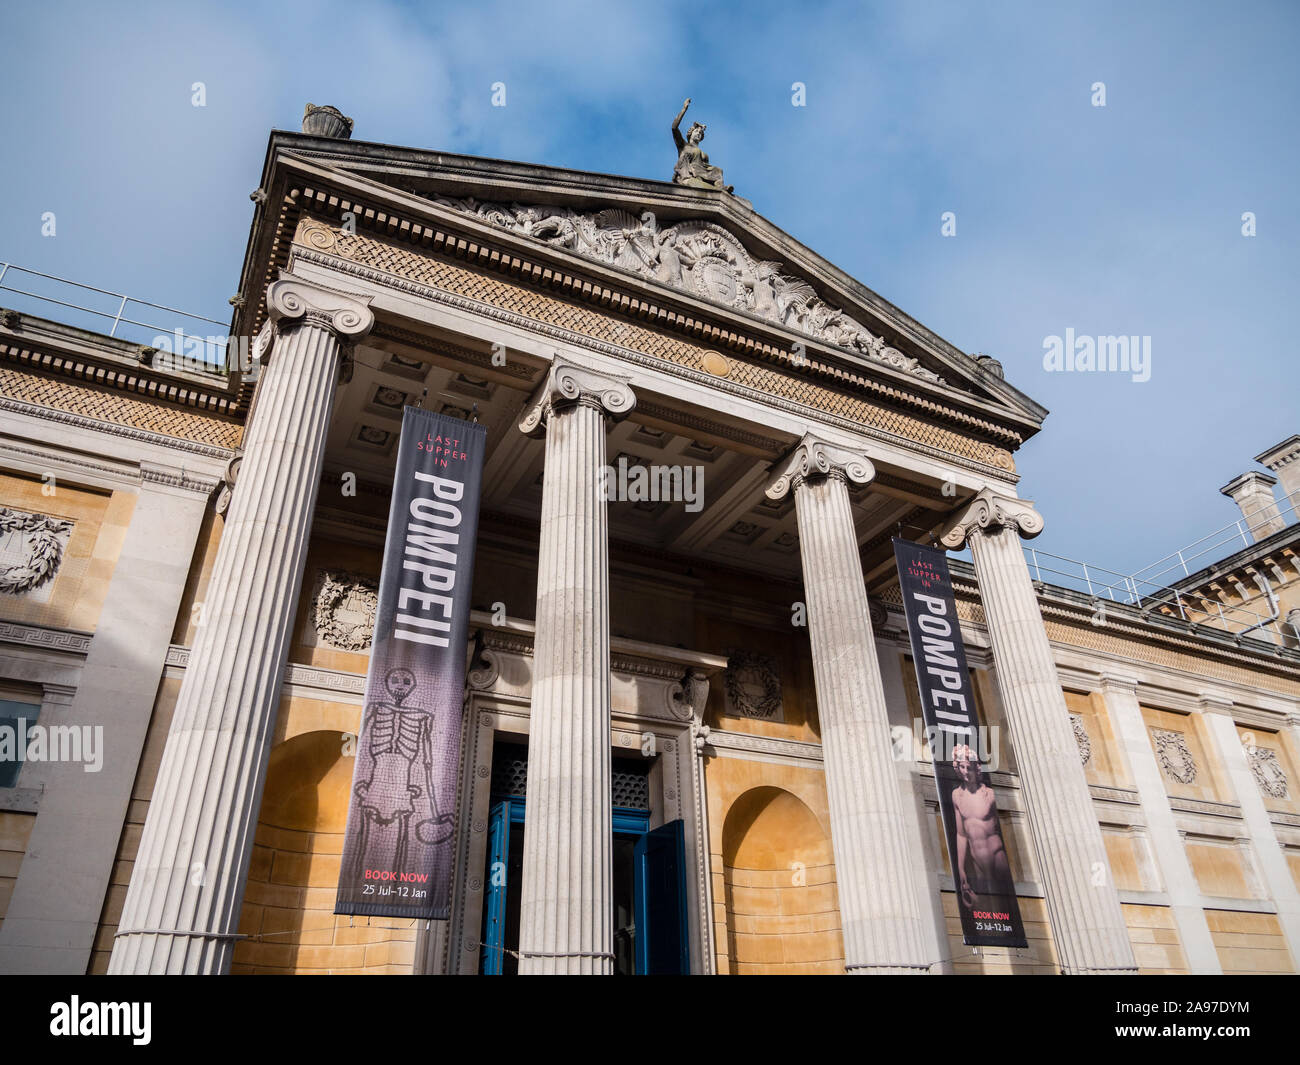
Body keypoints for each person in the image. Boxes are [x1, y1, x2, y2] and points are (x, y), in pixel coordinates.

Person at [949, 743, 1013, 907]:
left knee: (1005, 903)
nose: (965, 772)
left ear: (976, 768)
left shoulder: (989, 795)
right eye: (961, 767)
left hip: (996, 855)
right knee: (988, 906)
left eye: (968, 767)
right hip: (976, 859)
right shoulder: (957, 795)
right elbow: (961, 834)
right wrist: (960, 868)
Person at [671, 98, 733, 193]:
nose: (698, 133)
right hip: (689, 174)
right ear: (690, 133)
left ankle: (720, 188)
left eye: (700, 133)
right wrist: (684, 109)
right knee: (698, 184)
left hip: (702, 173)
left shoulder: (704, 155)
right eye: (696, 131)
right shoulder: (683, 145)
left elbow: (707, 167)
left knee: (718, 171)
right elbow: (674, 128)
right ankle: (719, 191)